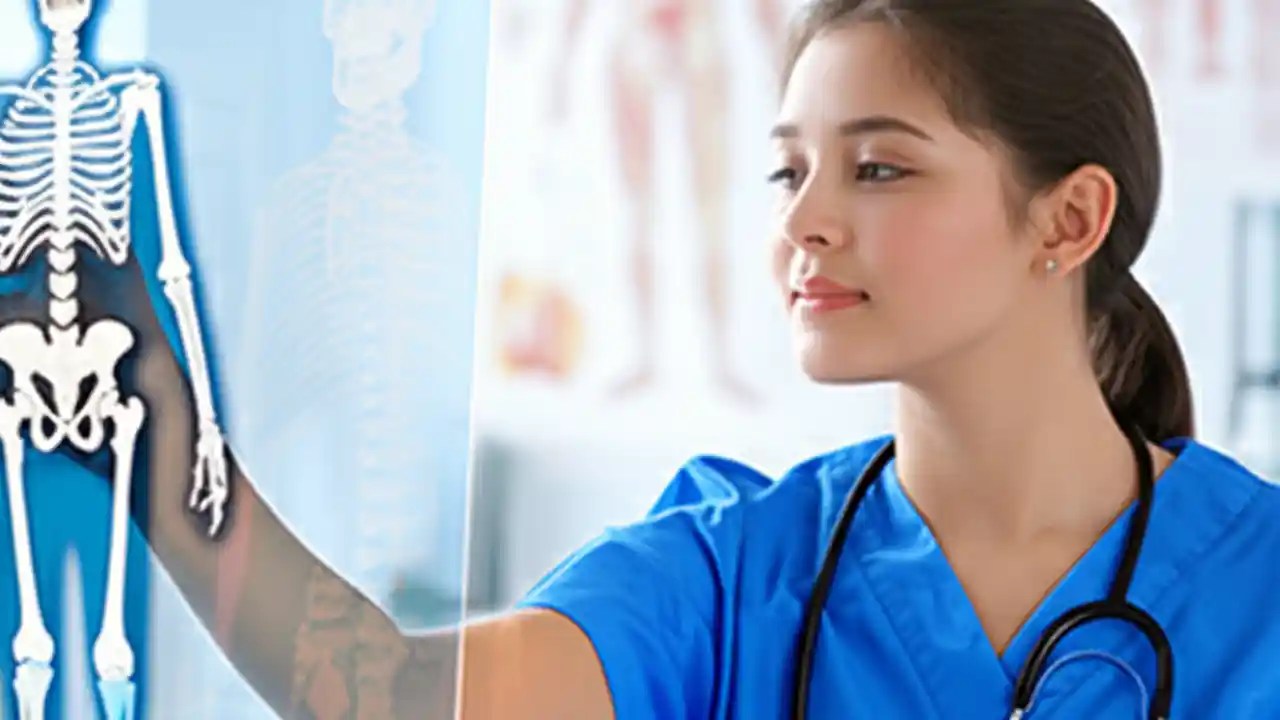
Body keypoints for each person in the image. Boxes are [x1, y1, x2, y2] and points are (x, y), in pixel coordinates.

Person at [60, 0, 1280, 717]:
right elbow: (379, 692)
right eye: (786, 169)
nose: (803, 219)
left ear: (1064, 221)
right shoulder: (727, 574)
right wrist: (161, 437)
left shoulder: (1257, 582)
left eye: (877, 166)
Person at [548, 0, 786, 403]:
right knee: (639, 209)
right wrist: (560, 67)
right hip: (641, 43)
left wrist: (786, 68)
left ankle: (720, 358)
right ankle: (646, 355)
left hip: (698, 44)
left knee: (709, 209)